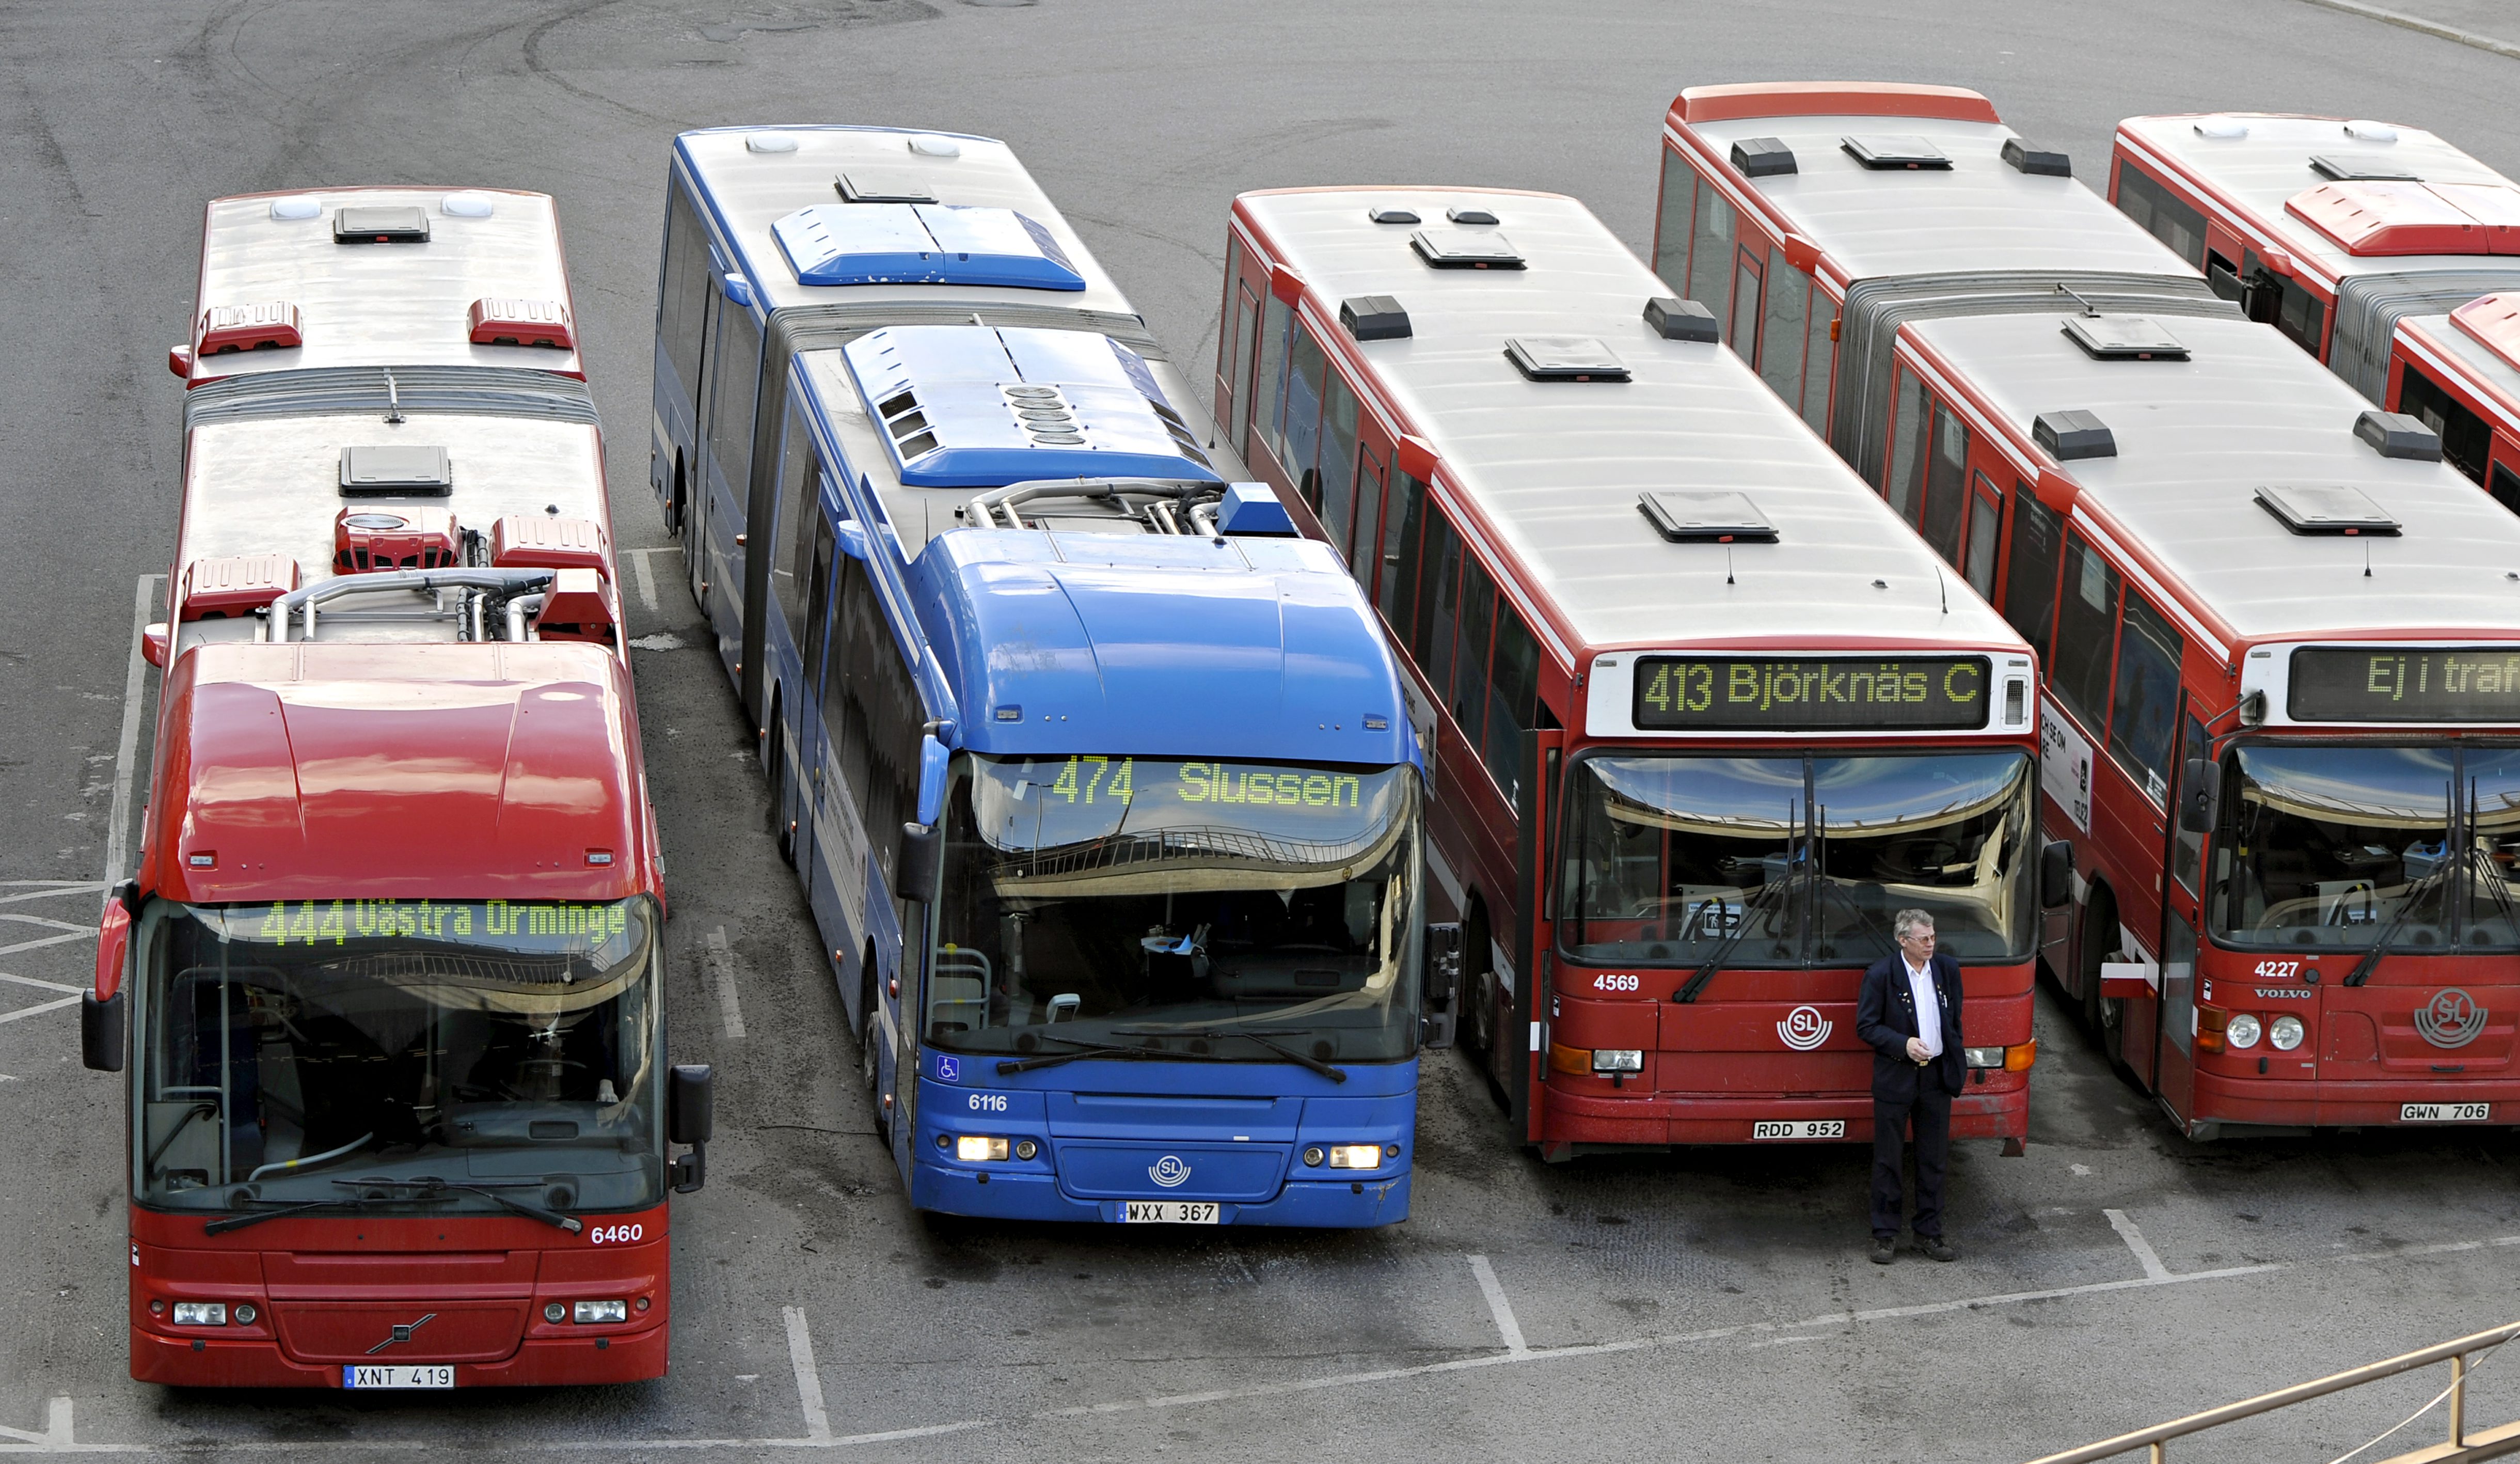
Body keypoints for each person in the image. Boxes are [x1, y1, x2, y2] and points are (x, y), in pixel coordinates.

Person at [1855, 908, 1965, 1264]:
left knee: (1933, 1159)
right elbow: (1866, 1026)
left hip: (1934, 1077)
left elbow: (1954, 1018)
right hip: (1895, 1076)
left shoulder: (1947, 970)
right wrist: (1902, 1043)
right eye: (1923, 938)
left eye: (1932, 936)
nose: (1930, 943)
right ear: (1903, 940)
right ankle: (1884, 1235)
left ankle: (1928, 1233)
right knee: (1888, 1158)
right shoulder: (1880, 974)